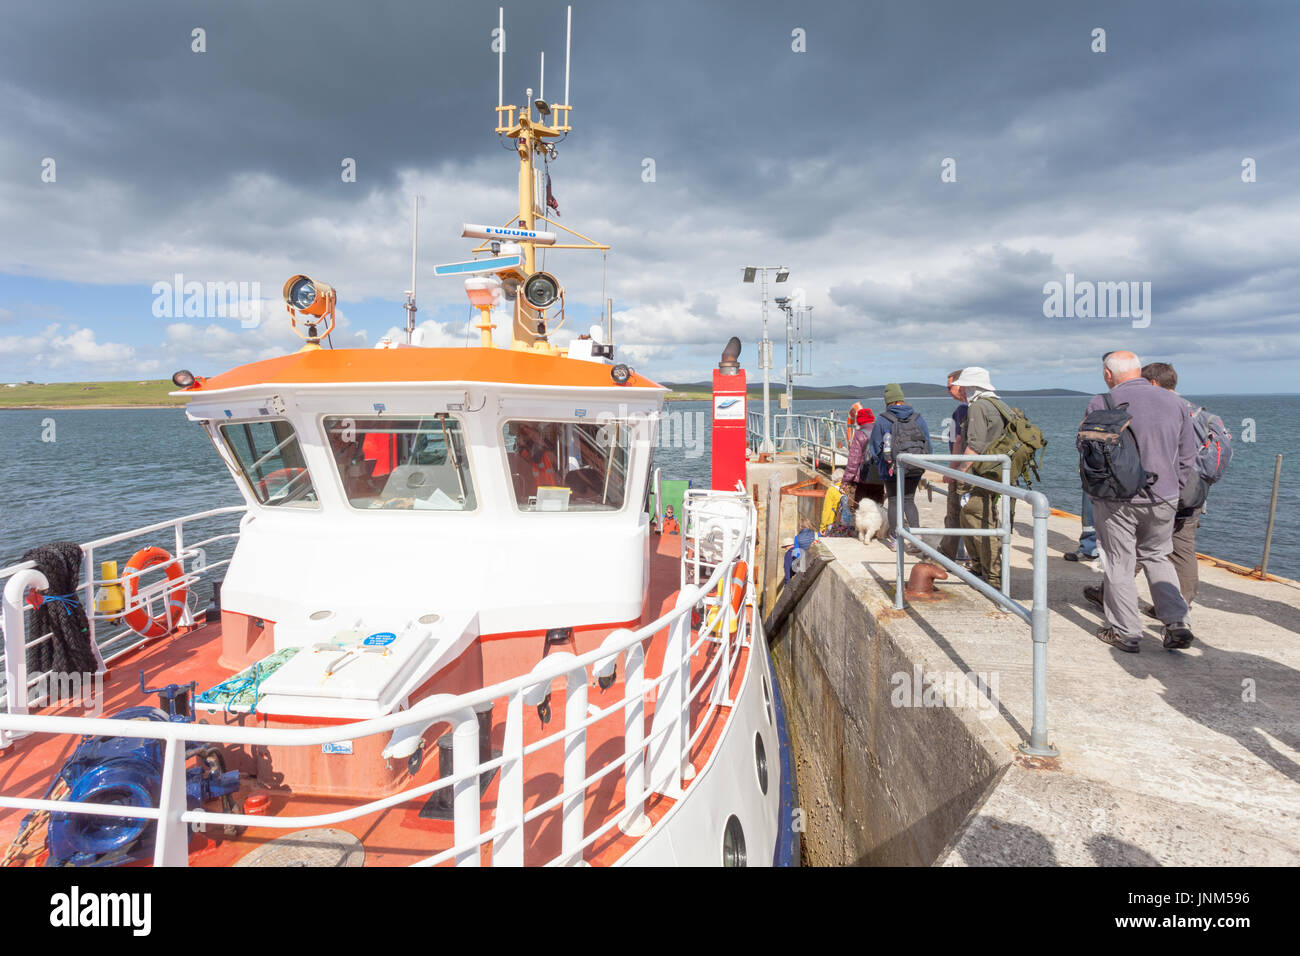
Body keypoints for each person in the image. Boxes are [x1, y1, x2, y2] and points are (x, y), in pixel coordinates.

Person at [1081, 351, 1197, 652]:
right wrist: (1175, 487)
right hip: (1164, 496)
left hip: (1115, 497)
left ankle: (1125, 632)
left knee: (1119, 561)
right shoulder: (1176, 402)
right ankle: (1177, 623)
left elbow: (1085, 447)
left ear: (1108, 374)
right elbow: (1187, 454)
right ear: (1139, 371)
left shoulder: (1101, 402)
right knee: (1158, 555)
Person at [949, 367, 1008, 584]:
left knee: (978, 523)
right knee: (982, 521)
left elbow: (974, 445)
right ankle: (984, 569)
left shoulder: (978, 407)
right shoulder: (997, 404)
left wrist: (960, 472)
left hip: (979, 474)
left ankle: (991, 576)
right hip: (993, 472)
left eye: (964, 386)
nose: (962, 391)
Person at [868, 384, 931, 553]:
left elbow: (874, 446)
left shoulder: (883, 419)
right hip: (915, 466)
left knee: (894, 501)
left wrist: (880, 462)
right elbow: (928, 444)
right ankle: (916, 537)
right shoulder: (917, 417)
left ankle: (896, 540)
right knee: (909, 500)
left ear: (887, 401)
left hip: (891, 468)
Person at [938, 369, 970, 565]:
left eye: (950, 386)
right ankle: (973, 557)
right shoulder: (977, 408)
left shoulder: (962, 411)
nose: (948, 391)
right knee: (974, 514)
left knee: (955, 513)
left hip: (962, 469)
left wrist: (952, 470)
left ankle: (951, 555)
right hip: (978, 470)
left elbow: (958, 441)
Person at [840, 407, 876, 512]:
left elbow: (853, 462)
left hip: (863, 480)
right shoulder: (881, 431)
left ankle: (860, 529)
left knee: (860, 511)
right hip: (879, 478)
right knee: (877, 510)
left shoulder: (859, 434)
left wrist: (846, 481)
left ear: (859, 421)